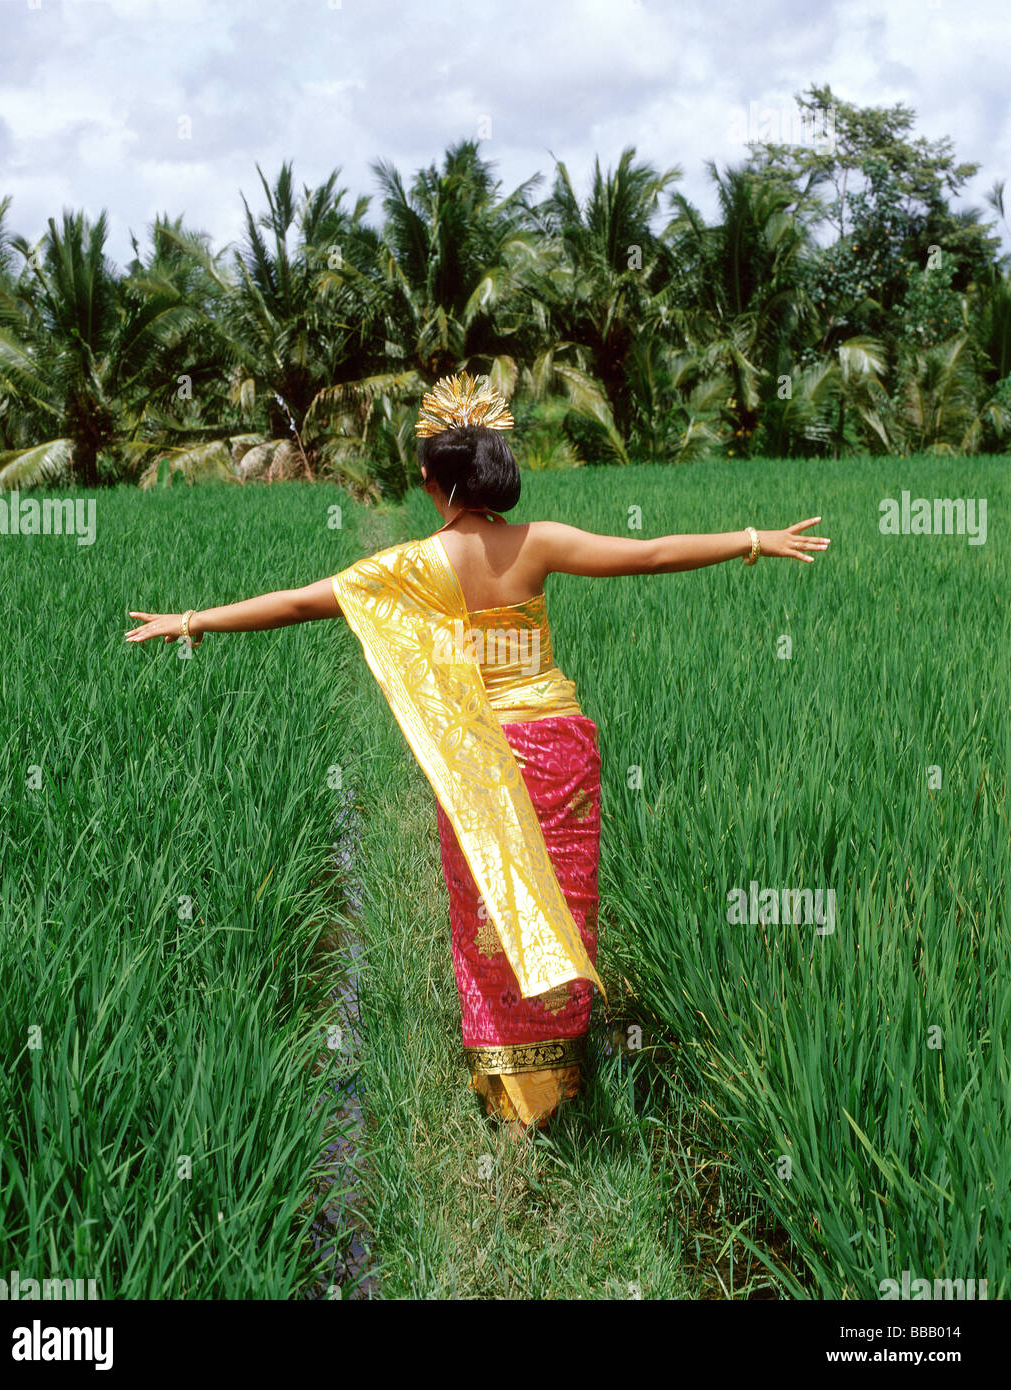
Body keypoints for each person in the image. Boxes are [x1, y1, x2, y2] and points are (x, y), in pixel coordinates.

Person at [126, 372, 830, 1132]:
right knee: (561, 899)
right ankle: (562, 1067)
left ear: (431, 480)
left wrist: (194, 619)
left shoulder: (409, 567)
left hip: (478, 757)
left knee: (490, 906)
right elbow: (651, 553)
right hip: (557, 745)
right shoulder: (538, 542)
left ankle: (511, 1090)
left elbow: (301, 602)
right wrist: (753, 539)